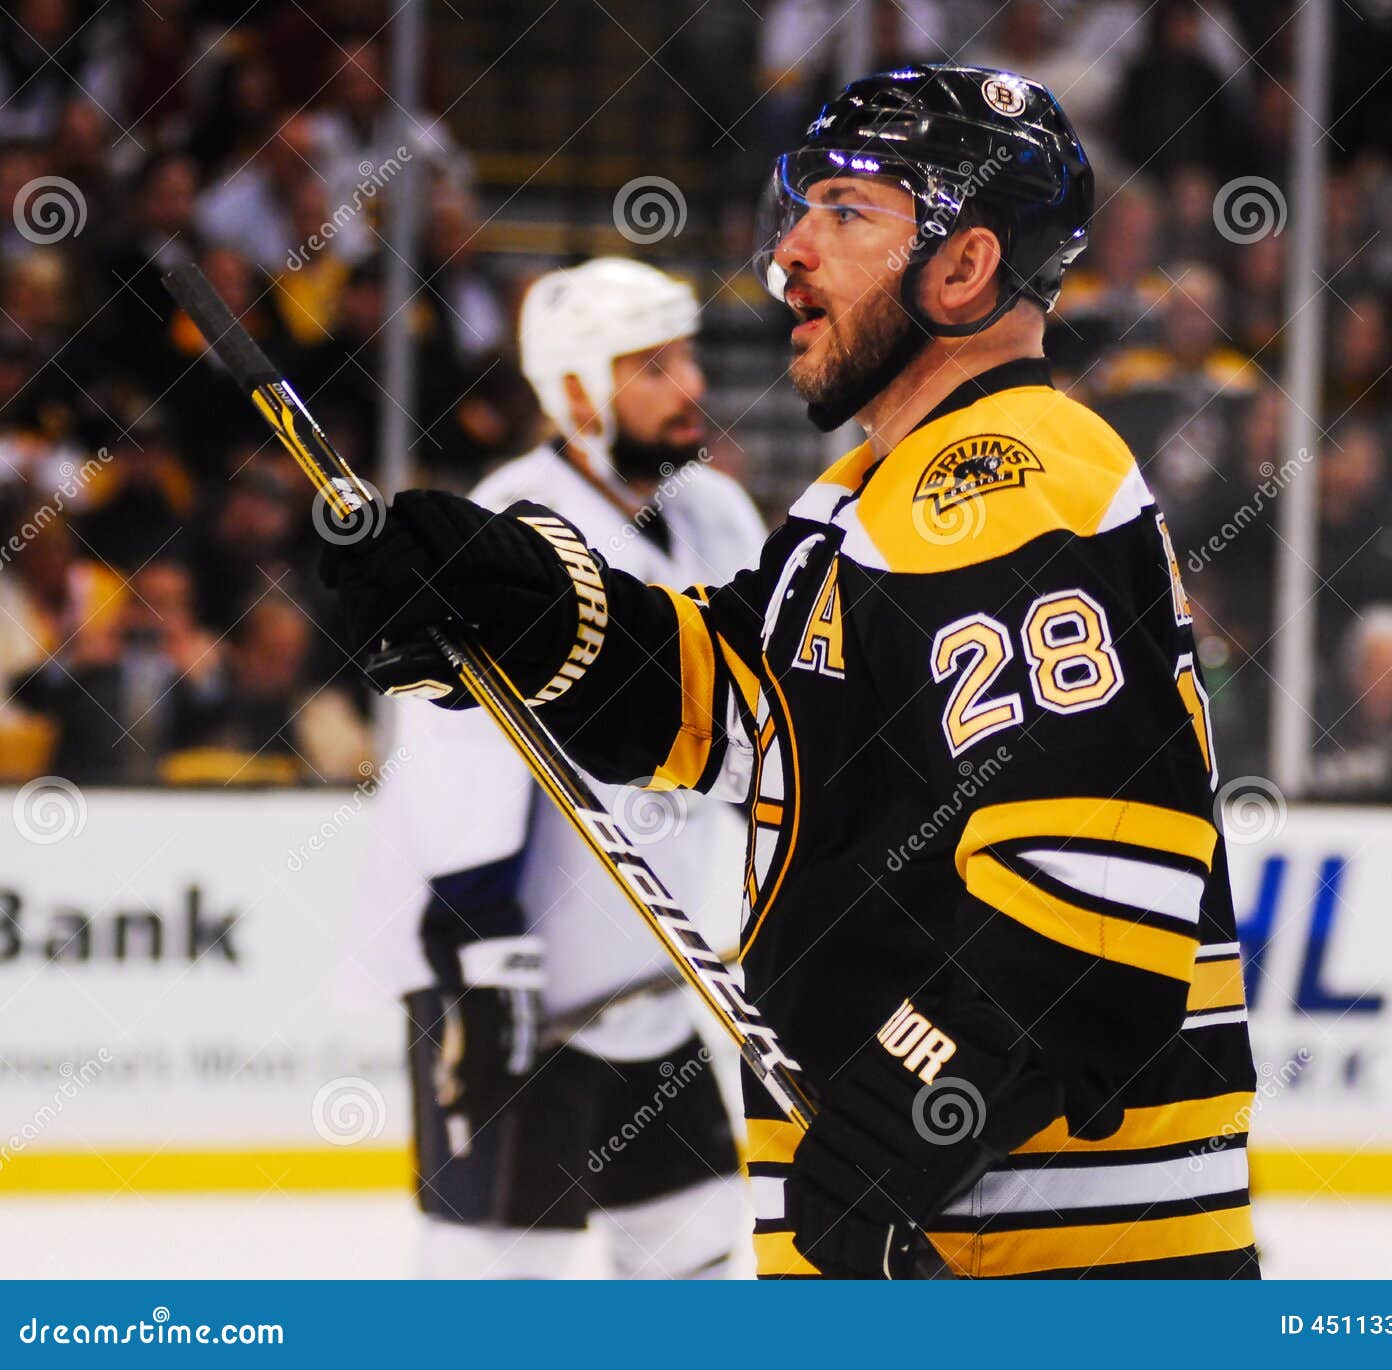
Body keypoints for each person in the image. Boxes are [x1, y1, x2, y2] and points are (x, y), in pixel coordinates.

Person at [325, 65, 1258, 1280]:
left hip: (1040, 1245)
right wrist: (529, 610)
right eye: (799, 208)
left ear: (965, 266)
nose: (786, 259)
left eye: (846, 214)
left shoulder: (1002, 470)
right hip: (963, 1232)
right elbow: (744, 713)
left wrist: (925, 1103)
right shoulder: (865, 497)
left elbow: (1102, 854)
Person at [362, 259, 763, 1279]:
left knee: (696, 1242)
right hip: (520, 976)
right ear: (578, 390)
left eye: (687, 360)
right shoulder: (510, 521)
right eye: (652, 367)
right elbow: (454, 745)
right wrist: (479, 933)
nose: (690, 388)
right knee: (497, 1268)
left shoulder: (717, 512)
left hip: (649, 971)